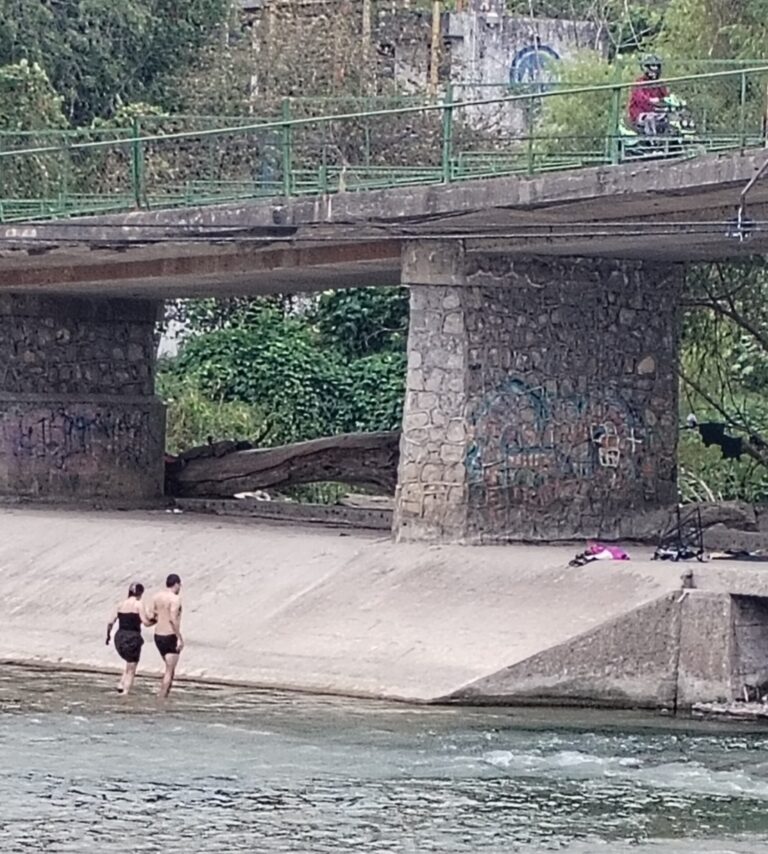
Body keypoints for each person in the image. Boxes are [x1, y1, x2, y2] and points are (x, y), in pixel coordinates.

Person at [106, 582, 156, 695]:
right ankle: (125, 692)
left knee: (128, 663)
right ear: (140, 593)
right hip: (132, 637)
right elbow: (146, 622)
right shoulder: (138, 604)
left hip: (119, 636)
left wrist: (108, 636)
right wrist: (156, 620)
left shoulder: (120, 604)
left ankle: (121, 684)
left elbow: (110, 623)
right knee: (132, 667)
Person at [149, 573, 184, 699]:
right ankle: (162, 697)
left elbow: (152, 616)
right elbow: (173, 619)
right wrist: (179, 637)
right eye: (179, 585)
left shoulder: (157, 597)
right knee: (169, 671)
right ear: (176, 584)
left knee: (168, 667)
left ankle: (163, 695)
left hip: (158, 635)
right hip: (170, 635)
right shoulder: (175, 599)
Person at [628, 54, 670, 136]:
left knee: (672, 118)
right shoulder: (640, 82)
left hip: (657, 112)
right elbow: (639, 98)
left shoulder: (660, 84)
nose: (653, 72)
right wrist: (651, 100)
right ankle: (652, 142)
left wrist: (667, 102)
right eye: (651, 67)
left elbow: (666, 97)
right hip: (640, 114)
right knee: (650, 119)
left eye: (655, 67)